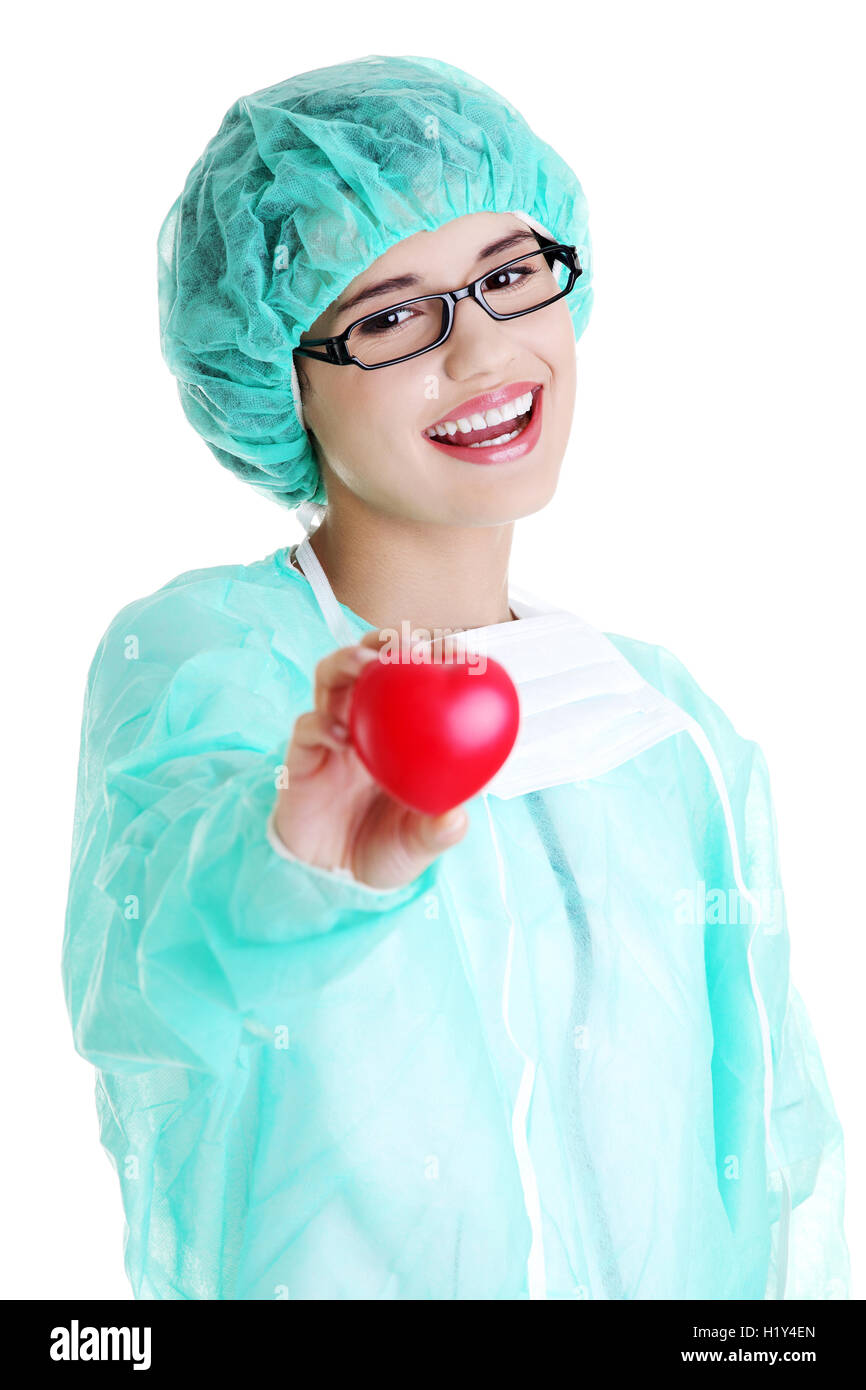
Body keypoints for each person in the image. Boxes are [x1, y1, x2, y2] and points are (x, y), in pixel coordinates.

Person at [62, 54, 850, 1300]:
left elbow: (765, 1142)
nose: (482, 350)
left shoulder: (655, 718)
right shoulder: (220, 658)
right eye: (387, 313)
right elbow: (163, 958)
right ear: (283, 376)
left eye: (508, 275)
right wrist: (301, 859)